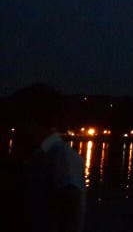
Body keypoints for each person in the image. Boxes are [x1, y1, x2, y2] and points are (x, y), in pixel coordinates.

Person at [10, 86, 86, 232]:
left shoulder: (60, 156)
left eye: (18, 118)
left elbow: (71, 209)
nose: (15, 126)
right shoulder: (44, 155)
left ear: (31, 118)